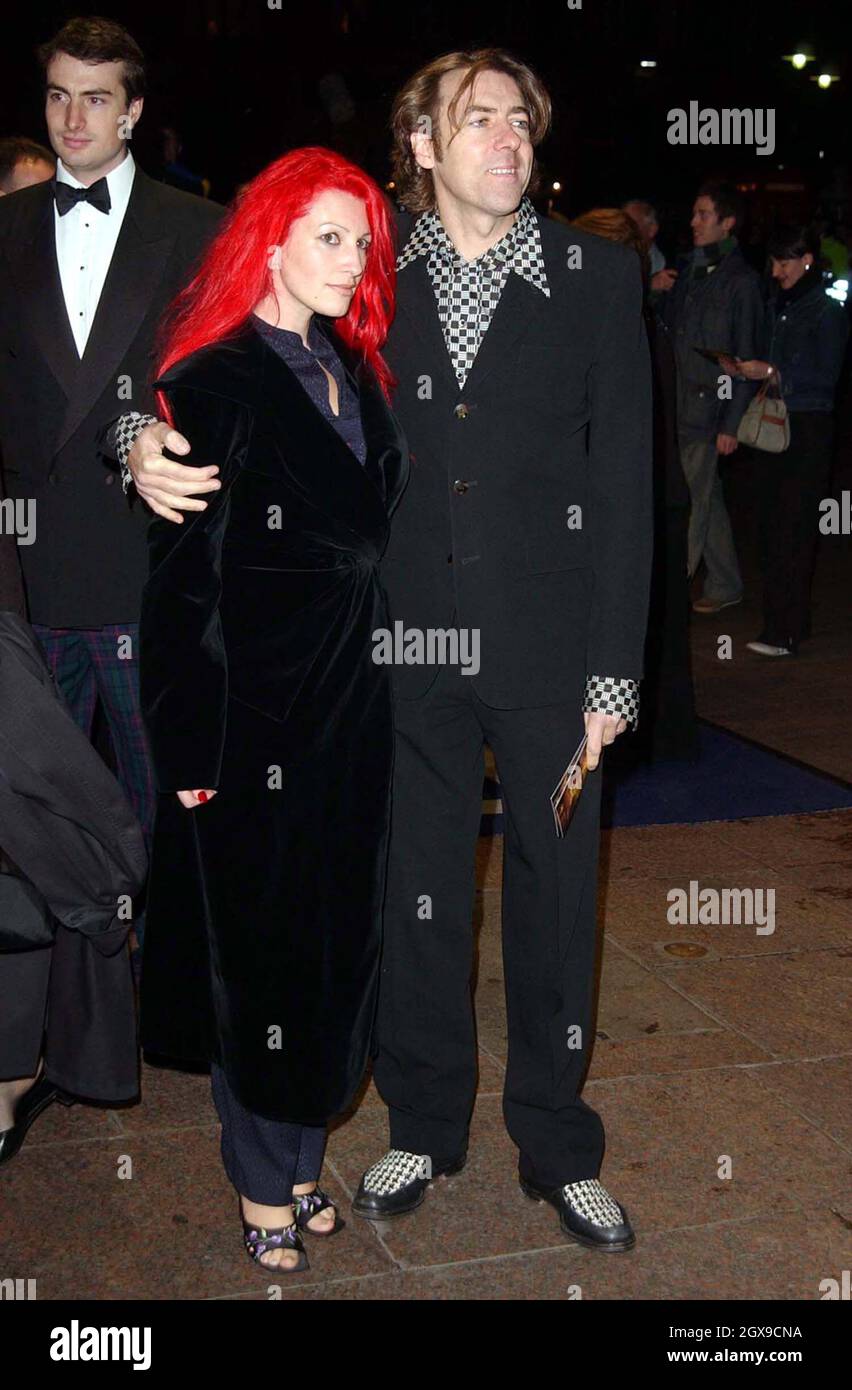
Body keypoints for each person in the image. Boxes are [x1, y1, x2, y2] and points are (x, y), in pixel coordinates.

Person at [119, 48, 653, 1252]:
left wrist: (613, 671)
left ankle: (558, 1141)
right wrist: (130, 443)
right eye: (479, 120)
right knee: (413, 893)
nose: (508, 140)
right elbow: (211, 357)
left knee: (559, 897)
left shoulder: (597, 275)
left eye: (522, 119)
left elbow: (628, 486)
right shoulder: (367, 266)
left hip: (553, 654)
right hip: (397, 653)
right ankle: (424, 1119)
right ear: (421, 144)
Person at [137, 147, 407, 1275]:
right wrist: (194, 745)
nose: (351, 261)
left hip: (357, 712)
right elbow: (178, 586)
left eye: (363, 241)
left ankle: (302, 1160)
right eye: (330, 236)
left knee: (339, 943)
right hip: (255, 718)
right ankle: (261, 1180)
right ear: (275, 236)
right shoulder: (217, 378)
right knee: (261, 955)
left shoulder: (355, 366)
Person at [0, 17, 223, 957]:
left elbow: (219, 389)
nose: (72, 116)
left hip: (145, 558)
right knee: (36, 807)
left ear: (132, 111)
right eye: (57, 95)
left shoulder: (198, 228)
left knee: (156, 795)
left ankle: (162, 989)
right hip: (31, 566)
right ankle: (51, 1017)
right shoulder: (4, 228)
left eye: (95, 98)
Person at [573, 208, 697, 761]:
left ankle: (659, 738)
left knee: (652, 624)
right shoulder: (642, 323)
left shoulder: (630, 329)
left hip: (650, 497)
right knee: (660, 624)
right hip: (656, 493)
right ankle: (665, 736)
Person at [719, 224, 849, 657]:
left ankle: (786, 629)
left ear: (807, 258)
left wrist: (773, 372)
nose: (776, 271)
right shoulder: (783, 305)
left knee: (793, 528)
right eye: (773, 262)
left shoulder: (826, 310)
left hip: (807, 428)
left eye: (784, 262)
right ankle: (784, 623)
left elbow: (826, 378)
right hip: (778, 425)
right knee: (772, 525)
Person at [661, 181, 764, 614]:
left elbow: (747, 357)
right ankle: (724, 583)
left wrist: (730, 424)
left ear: (727, 223)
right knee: (708, 497)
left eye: (704, 215)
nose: (694, 222)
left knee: (694, 501)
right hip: (681, 406)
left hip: (709, 410)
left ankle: (672, 591)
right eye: (694, 213)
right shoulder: (689, 270)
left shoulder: (743, 283)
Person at [623, 197, 677, 293]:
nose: (624, 230)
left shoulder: (671, 265)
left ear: (652, 230)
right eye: (621, 224)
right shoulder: (609, 258)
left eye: (631, 225)